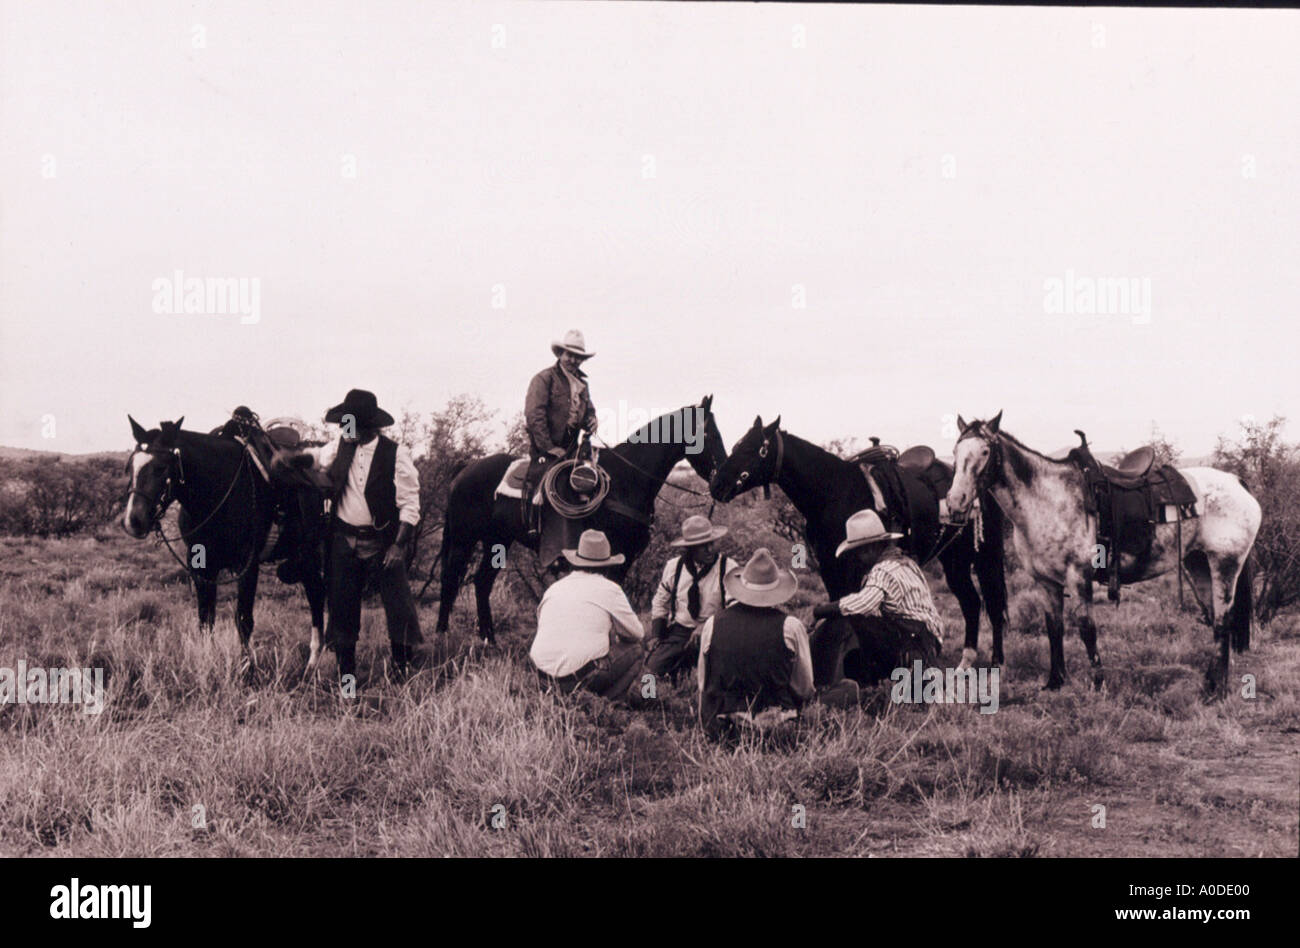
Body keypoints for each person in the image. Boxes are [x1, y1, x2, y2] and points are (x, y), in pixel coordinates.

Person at [310, 389, 423, 686]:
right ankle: (347, 678)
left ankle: (402, 672)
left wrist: (398, 545)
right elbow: (318, 461)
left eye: (350, 423)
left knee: (399, 606)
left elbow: (410, 503)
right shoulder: (339, 446)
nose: (345, 429)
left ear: (369, 425)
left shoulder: (395, 453)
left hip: (383, 541)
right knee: (342, 607)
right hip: (344, 540)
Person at [811, 509, 944, 686]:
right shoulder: (907, 563)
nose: (858, 558)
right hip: (928, 641)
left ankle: (853, 682)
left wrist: (822, 611)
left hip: (913, 644)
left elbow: (863, 603)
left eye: (859, 552)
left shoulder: (883, 570)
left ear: (871, 548)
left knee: (855, 619)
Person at [696, 548, 816, 740]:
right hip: (777, 726)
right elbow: (804, 688)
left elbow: (703, 683)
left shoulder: (712, 624)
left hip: (723, 726)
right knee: (846, 688)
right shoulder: (791, 626)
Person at [530, 529, 645, 701]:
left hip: (541, 677)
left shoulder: (555, 588)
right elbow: (637, 633)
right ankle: (603, 702)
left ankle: (561, 698)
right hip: (577, 679)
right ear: (607, 565)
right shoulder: (610, 589)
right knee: (636, 651)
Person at [633, 515, 732, 699]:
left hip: (715, 633)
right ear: (691, 548)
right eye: (704, 546)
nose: (710, 549)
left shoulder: (728, 568)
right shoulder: (674, 567)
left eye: (712, 543)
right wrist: (657, 635)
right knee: (650, 670)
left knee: (719, 681)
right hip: (680, 632)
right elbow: (660, 602)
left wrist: (708, 626)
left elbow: (734, 609)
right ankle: (648, 703)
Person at [522, 330, 599, 535]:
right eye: (569, 355)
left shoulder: (582, 384)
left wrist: (592, 421)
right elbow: (534, 415)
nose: (573, 360)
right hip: (546, 448)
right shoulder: (544, 379)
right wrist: (548, 448)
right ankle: (535, 524)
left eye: (578, 357)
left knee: (593, 478)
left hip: (572, 449)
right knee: (546, 479)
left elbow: (588, 411)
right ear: (560, 354)